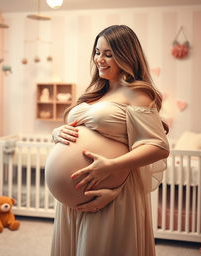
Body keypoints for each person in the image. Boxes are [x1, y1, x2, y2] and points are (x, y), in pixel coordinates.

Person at [49, 24, 169, 256]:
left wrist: (111, 167)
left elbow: (158, 147)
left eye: (108, 54)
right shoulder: (96, 90)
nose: (99, 60)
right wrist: (56, 134)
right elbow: (79, 129)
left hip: (111, 192)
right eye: (97, 52)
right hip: (72, 197)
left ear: (126, 55)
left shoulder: (138, 94)